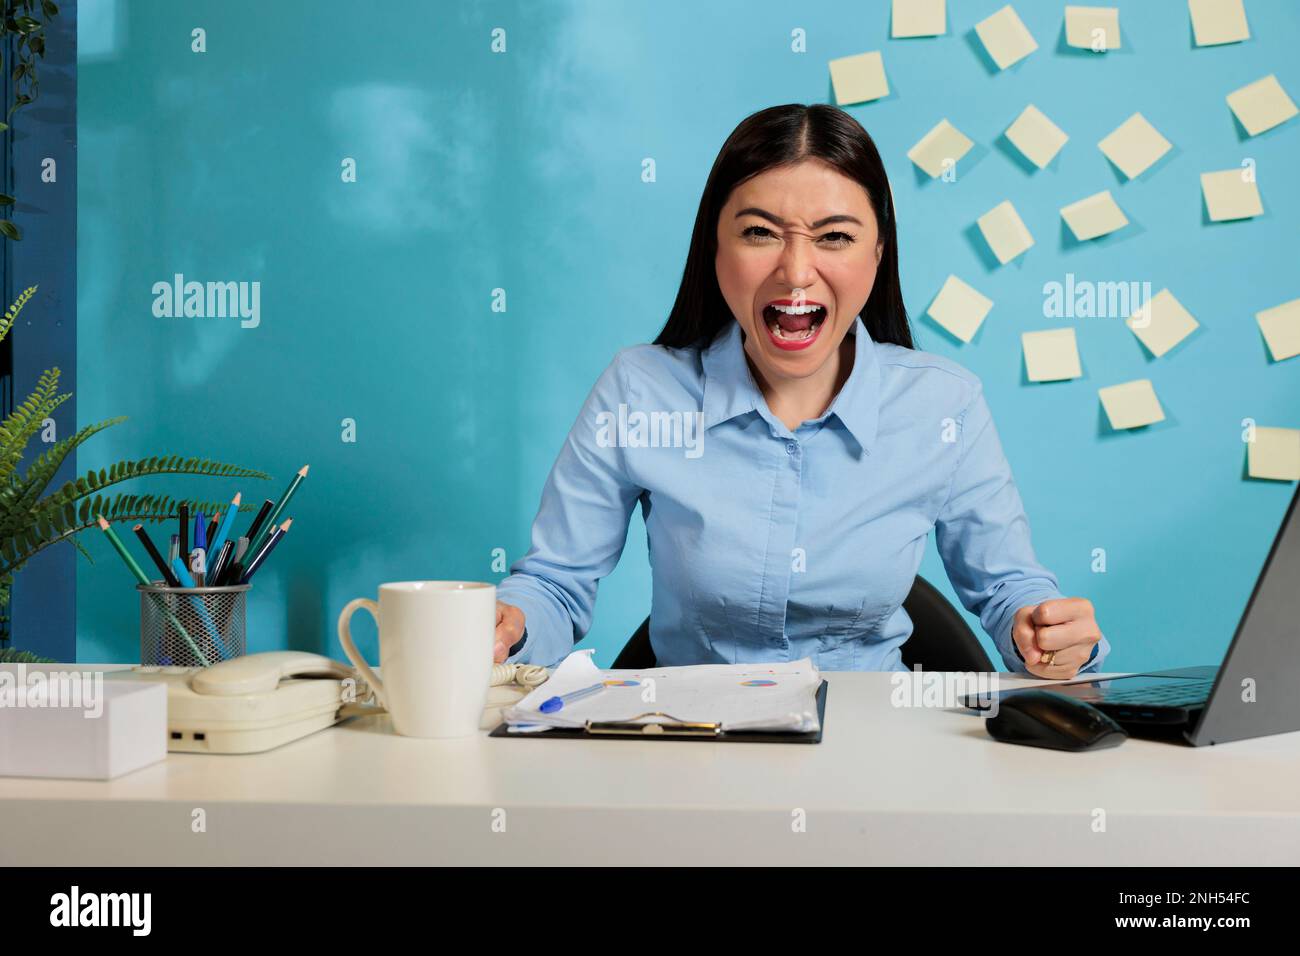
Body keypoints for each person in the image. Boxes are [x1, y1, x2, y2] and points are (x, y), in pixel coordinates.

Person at [493, 103, 1108, 678]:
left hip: (874, 753)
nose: (794, 271)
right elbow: (555, 582)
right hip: (691, 749)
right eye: (760, 232)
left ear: (878, 251)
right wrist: (510, 627)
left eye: (834, 236)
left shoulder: (944, 406)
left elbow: (1009, 589)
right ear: (715, 246)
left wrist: (1044, 633)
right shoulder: (639, 391)